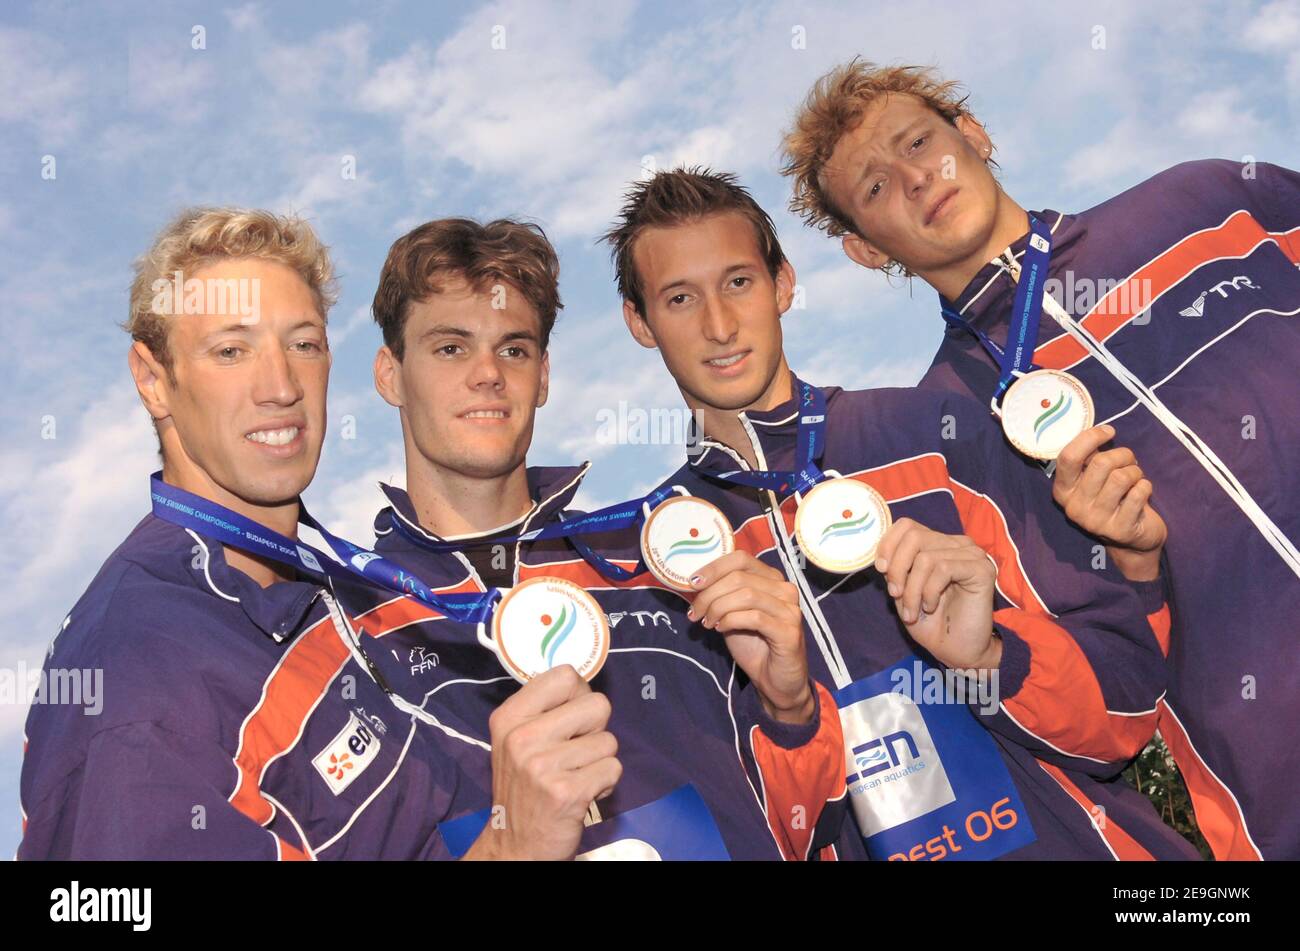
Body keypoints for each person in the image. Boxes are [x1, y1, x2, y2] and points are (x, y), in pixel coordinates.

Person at [781, 59, 1300, 859]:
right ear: (863, 250)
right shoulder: (944, 436)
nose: (916, 180)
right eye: (877, 188)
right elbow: (1100, 679)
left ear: (974, 135)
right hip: (1271, 798)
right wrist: (1130, 559)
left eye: (920, 142)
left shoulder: (1206, 202)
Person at [602, 167, 1201, 859]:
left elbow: (1125, 699)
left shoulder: (935, 433)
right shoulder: (658, 566)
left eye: (738, 281)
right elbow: (743, 830)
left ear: (784, 284)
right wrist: (789, 717)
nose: (718, 323)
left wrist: (992, 659)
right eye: (680, 298)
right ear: (640, 323)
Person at [18, 207, 618, 860]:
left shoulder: (305, 578)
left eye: (303, 343)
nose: (281, 386)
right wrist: (511, 849)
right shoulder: (138, 667)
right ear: (154, 379)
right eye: (231, 350)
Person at [335, 216, 853, 860]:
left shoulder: (658, 570)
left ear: (543, 376)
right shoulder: (349, 636)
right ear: (389, 374)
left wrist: (791, 708)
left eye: (514, 349)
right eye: (451, 347)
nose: (488, 374)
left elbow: (808, 829)